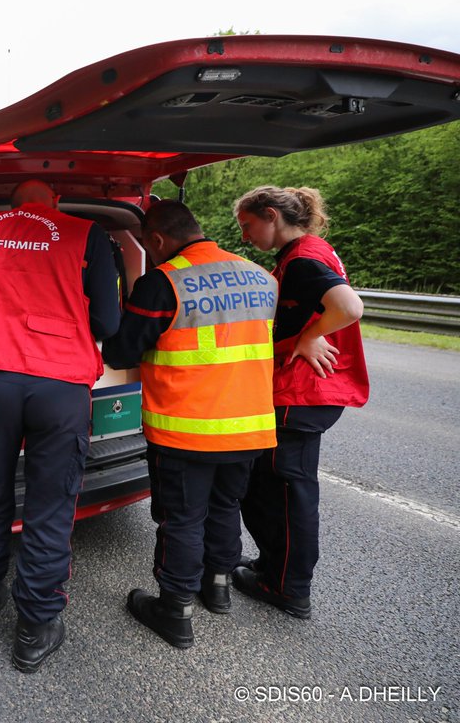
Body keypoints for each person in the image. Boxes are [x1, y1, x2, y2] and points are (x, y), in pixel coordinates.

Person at [0, 178, 120, 673]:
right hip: (59, 383)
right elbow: (108, 324)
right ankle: (34, 630)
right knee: (50, 505)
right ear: (56, 203)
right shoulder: (85, 233)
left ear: (11, 205)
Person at [101, 200, 278, 648]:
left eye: (147, 244)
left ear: (157, 241)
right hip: (248, 425)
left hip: (188, 427)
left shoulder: (162, 282)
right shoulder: (259, 276)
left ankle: (174, 609)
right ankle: (217, 587)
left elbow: (121, 352)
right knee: (225, 506)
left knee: (181, 518)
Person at [230, 185, 367, 620]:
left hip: (302, 392)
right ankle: (274, 566)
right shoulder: (304, 252)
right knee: (265, 485)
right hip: (301, 391)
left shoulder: (304, 259)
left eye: (248, 226)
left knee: (287, 491)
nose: (245, 237)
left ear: (271, 215)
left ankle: (288, 587)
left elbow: (349, 306)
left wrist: (309, 337)